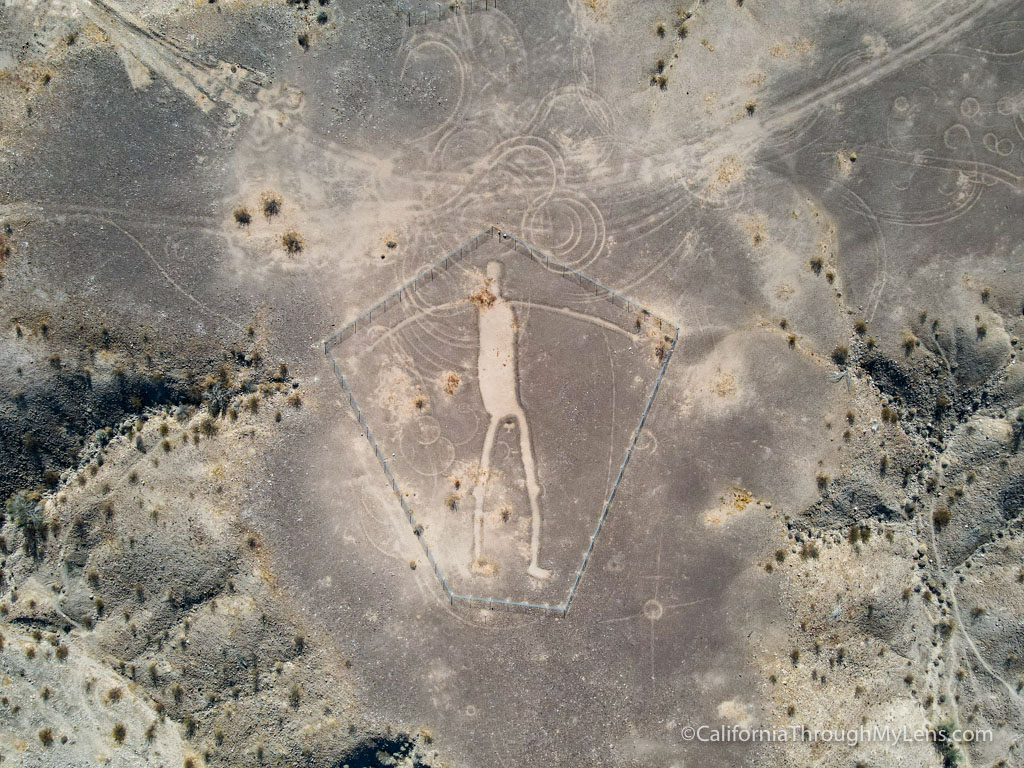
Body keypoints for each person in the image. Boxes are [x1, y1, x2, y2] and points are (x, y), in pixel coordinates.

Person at [471, 261, 550, 579]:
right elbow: (489, 355)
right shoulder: (492, 313)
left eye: (496, 282)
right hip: (497, 396)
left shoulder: (502, 312)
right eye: (492, 282)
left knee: (528, 479)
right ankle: (479, 554)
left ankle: (532, 561)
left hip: (505, 396)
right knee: (486, 478)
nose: (496, 287)